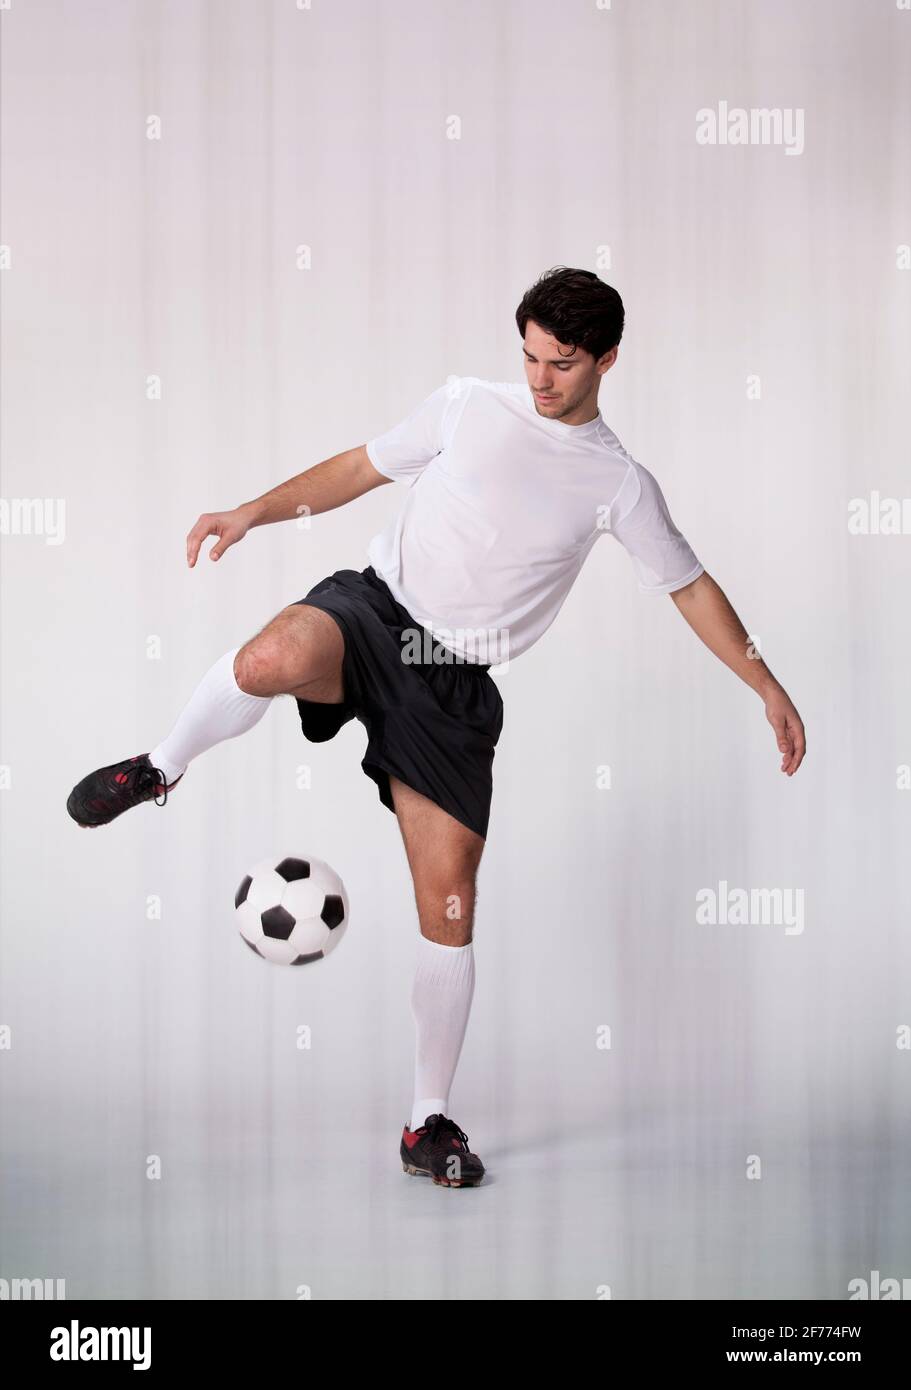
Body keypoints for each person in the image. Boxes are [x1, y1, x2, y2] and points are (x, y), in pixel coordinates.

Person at [66, 266, 807, 1189]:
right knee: (266, 659)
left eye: (563, 364)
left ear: (608, 360)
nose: (540, 380)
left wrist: (762, 682)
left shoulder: (619, 483)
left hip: (450, 686)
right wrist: (252, 511)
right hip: (374, 614)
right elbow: (361, 465)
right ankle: (160, 766)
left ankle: (427, 1122)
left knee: (448, 905)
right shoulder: (468, 405)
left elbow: (687, 586)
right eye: (530, 356)